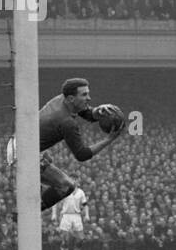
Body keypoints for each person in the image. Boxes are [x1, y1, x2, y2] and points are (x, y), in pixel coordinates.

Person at [37, 78, 123, 211]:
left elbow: (86, 113)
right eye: (84, 95)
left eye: (88, 94)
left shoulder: (62, 99)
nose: (89, 98)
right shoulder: (67, 122)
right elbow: (82, 155)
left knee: (48, 171)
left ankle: (34, 196)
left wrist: (98, 111)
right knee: (66, 186)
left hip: (23, 144)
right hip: (22, 154)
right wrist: (109, 139)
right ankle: (30, 211)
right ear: (71, 98)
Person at [53, 185, 89, 250]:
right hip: (66, 215)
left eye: (75, 179)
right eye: (72, 179)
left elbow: (85, 204)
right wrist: (54, 214)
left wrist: (87, 215)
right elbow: (55, 201)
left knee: (81, 238)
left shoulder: (80, 192)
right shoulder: (63, 190)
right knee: (65, 239)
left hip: (77, 215)